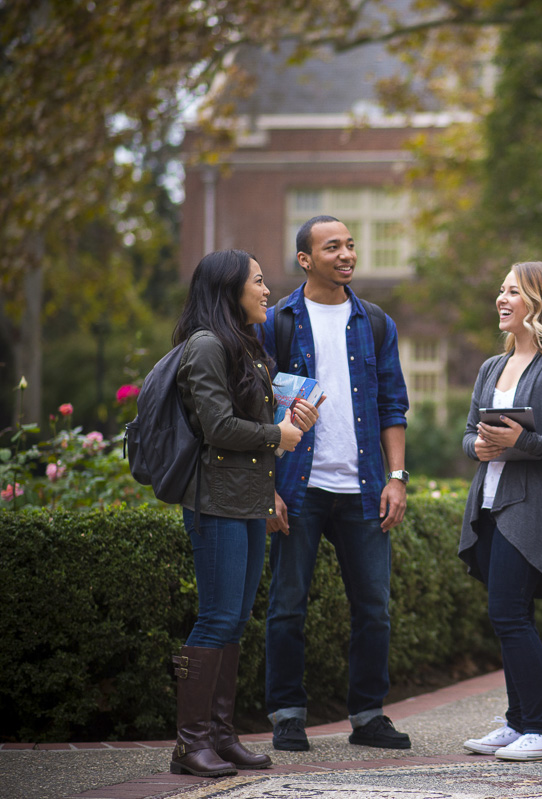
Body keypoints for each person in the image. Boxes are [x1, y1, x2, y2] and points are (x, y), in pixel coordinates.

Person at [260, 215, 412, 752]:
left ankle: (368, 716)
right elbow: (257, 413)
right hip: (298, 488)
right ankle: (287, 714)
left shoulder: (374, 322)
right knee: (287, 605)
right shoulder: (275, 323)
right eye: (332, 247)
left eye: (349, 245)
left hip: (363, 487)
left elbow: (393, 404)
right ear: (305, 259)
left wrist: (395, 478)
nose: (347, 254)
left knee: (374, 608)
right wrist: (269, 488)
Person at [171, 249, 319, 777]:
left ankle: (221, 735)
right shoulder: (207, 346)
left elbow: (246, 419)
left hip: (247, 501)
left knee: (233, 620)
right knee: (215, 617)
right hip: (214, 503)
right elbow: (218, 427)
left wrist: (285, 414)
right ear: (230, 289)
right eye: (257, 282)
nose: (266, 290)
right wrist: (276, 432)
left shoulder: (245, 346)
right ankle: (190, 744)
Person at [458, 262, 542, 762]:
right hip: (489, 503)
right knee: (512, 616)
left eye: (513, 291)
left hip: (530, 509)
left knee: (508, 614)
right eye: (501, 289)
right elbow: (468, 433)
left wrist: (524, 442)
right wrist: (480, 447)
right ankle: (518, 723)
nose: (501, 298)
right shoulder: (492, 367)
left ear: (538, 301)